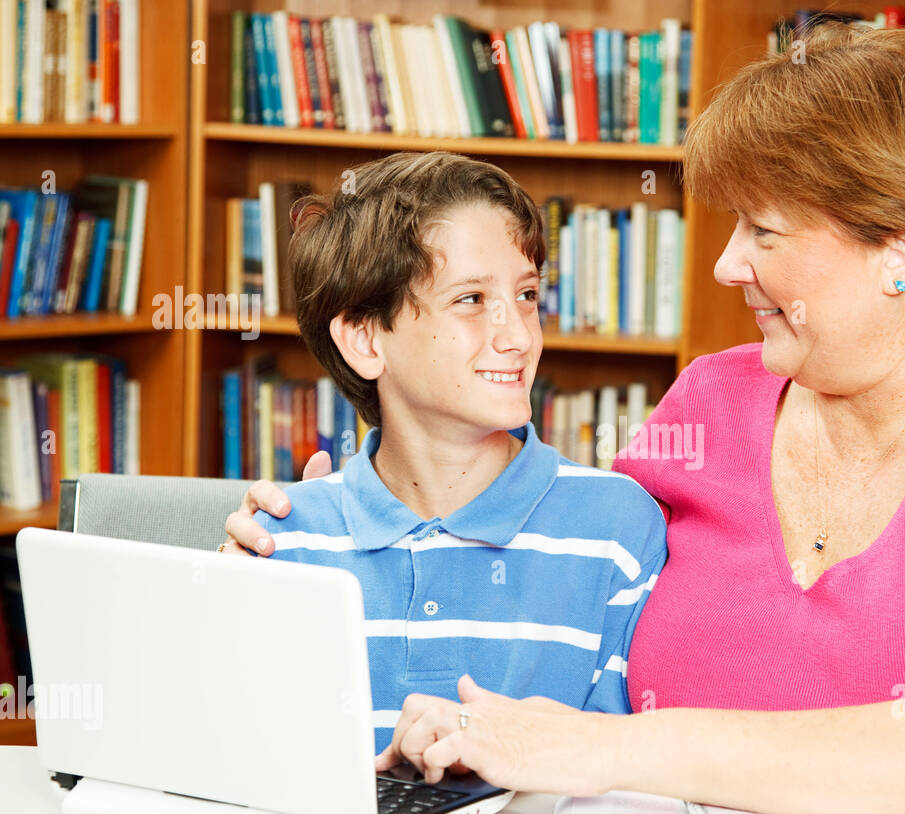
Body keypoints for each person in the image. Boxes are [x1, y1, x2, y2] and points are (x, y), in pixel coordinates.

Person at [225, 26, 905, 814]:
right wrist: (330, 522)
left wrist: (599, 749)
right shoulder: (710, 407)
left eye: (763, 230)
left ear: (902, 249)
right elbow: (549, 536)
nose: (725, 265)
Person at [224, 151, 665, 754]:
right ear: (364, 339)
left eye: (528, 294)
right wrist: (214, 606)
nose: (518, 336)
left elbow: (627, 776)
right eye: (472, 300)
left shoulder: (617, 528)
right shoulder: (282, 542)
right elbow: (243, 763)